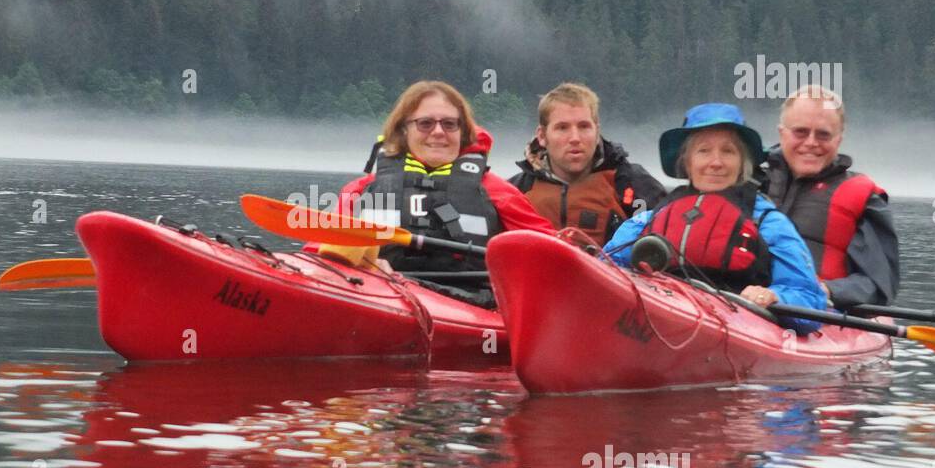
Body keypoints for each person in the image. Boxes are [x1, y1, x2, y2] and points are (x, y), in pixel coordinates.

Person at [604, 103, 828, 332]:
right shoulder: (646, 222)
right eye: (704, 151)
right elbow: (605, 271)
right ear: (687, 162)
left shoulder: (769, 223)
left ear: (742, 163)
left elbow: (808, 296)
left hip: (738, 327)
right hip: (661, 318)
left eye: (728, 151)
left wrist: (773, 295)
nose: (716, 162)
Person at [327, 80, 554, 274]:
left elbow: (550, 251)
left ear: (462, 132)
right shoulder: (361, 190)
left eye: (449, 124)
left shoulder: (496, 191)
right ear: (404, 130)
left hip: (470, 300)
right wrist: (365, 266)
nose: (438, 132)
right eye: (425, 123)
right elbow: (321, 255)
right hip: (380, 290)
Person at [761, 85, 900, 308]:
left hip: (816, 316)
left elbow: (877, 284)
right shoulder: (750, 183)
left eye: (823, 135)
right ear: (782, 133)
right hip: (743, 303)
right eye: (801, 132)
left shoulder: (865, 199)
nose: (811, 143)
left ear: (838, 140)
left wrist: (826, 290)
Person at [509, 82, 666, 245]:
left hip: (610, 269)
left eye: (584, 127)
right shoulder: (514, 192)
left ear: (597, 132)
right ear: (542, 136)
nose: (575, 138)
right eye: (562, 128)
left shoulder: (632, 184)